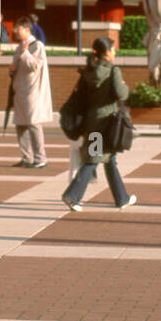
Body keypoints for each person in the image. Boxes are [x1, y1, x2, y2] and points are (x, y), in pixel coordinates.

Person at [62, 36, 136, 212]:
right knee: (93, 159)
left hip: (91, 121)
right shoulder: (113, 71)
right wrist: (125, 86)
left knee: (109, 159)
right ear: (107, 52)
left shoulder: (88, 71)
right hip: (107, 122)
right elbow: (122, 94)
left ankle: (122, 198)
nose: (115, 52)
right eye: (113, 49)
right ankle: (72, 196)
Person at [9, 15, 52, 168]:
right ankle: (27, 157)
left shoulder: (37, 45)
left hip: (33, 91)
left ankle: (41, 158)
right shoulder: (19, 46)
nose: (15, 32)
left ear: (27, 29)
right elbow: (15, 66)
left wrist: (25, 53)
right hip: (20, 90)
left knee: (34, 124)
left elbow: (36, 65)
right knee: (20, 124)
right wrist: (12, 69)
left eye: (18, 29)